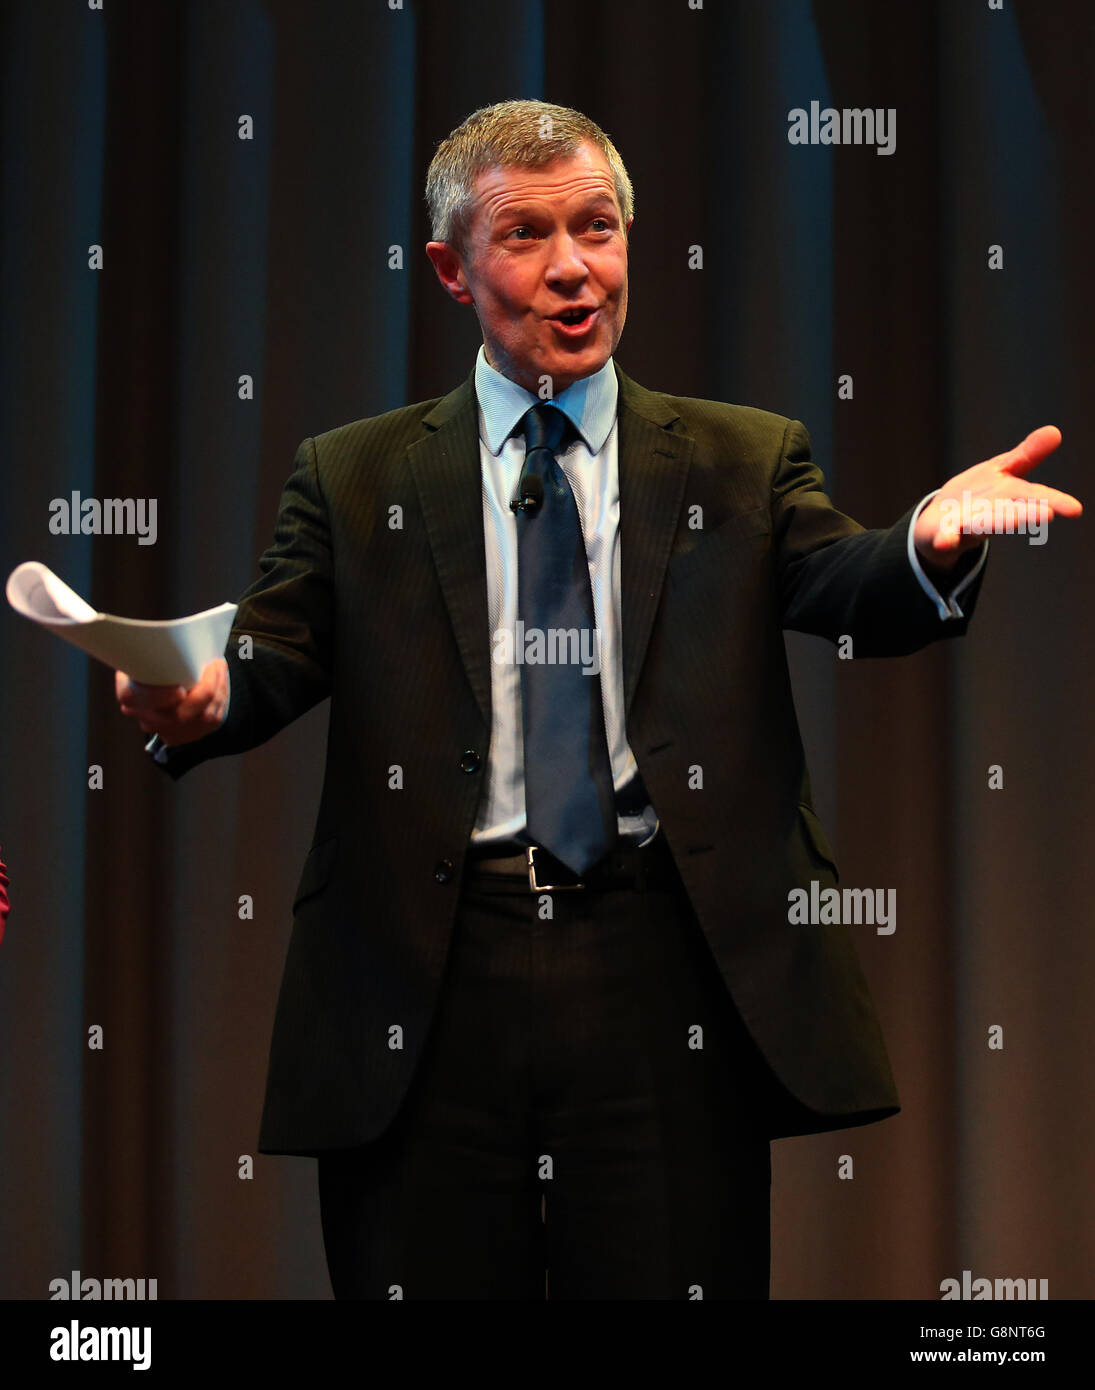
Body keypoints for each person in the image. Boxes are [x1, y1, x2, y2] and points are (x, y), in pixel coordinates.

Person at [115, 100, 1080, 1300]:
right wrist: (201, 697)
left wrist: (930, 545)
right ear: (451, 270)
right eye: (526, 236)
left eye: (599, 228)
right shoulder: (358, 473)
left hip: (663, 971)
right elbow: (270, 652)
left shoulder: (738, 455)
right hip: (429, 983)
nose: (574, 267)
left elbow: (849, 585)